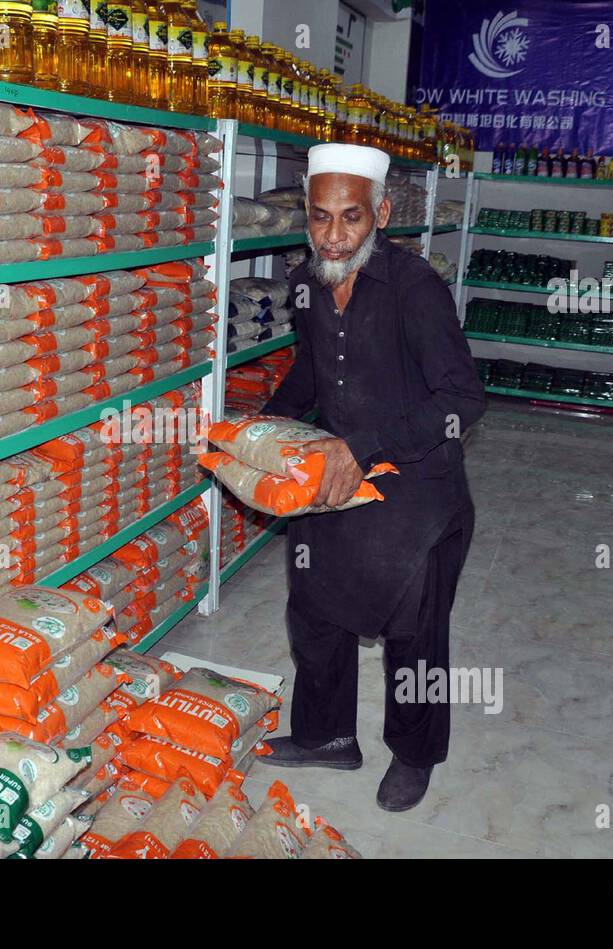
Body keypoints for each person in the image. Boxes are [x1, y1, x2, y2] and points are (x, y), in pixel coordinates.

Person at [256, 143, 486, 811]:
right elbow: (313, 370)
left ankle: (415, 754)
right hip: (341, 478)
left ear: (382, 212)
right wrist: (263, 427)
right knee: (313, 607)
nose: (334, 236)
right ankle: (327, 735)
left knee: (414, 633)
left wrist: (367, 445)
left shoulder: (416, 290)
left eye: (350, 218)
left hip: (420, 491)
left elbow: (463, 400)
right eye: (320, 217)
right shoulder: (308, 282)